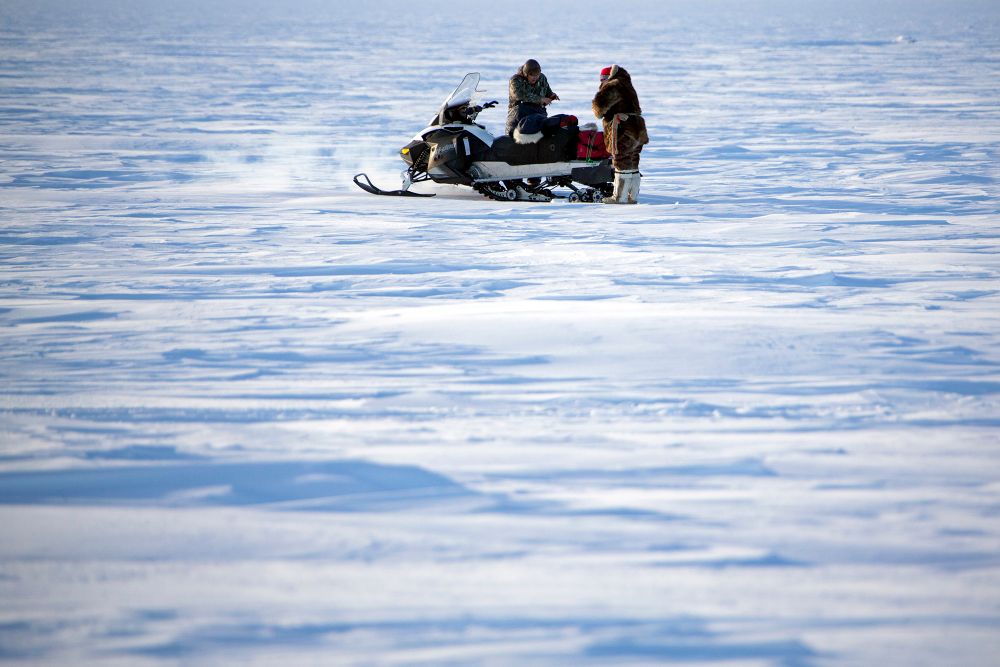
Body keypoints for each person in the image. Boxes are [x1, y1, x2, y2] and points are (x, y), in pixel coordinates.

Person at [592, 64, 648, 204]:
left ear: (608, 77)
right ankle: (632, 197)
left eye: (602, 79)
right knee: (633, 161)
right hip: (637, 127)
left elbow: (598, 109)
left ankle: (619, 197)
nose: (601, 82)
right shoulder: (626, 84)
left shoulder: (613, 85)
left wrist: (599, 98)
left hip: (623, 128)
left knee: (621, 161)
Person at [506, 59, 559, 137]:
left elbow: (547, 92)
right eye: (532, 75)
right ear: (526, 73)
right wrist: (540, 99)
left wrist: (551, 96)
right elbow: (519, 95)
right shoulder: (516, 80)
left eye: (537, 75)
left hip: (537, 115)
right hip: (518, 116)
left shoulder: (542, 78)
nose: (535, 77)